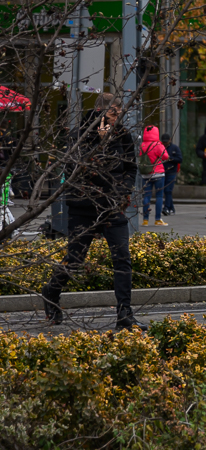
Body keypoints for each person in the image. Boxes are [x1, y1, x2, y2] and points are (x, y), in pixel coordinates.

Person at [42, 95, 140, 329]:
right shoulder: (79, 135)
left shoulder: (122, 135)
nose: (118, 118)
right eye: (114, 113)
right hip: (83, 207)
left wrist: (123, 191)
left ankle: (124, 314)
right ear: (100, 111)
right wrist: (102, 143)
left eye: (119, 113)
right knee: (75, 259)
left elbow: (131, 167)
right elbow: (78, 171)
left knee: (122, 260)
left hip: (112, 207)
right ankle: (51, 292)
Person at [139, 126, 168, 226]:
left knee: (146, 196)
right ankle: (157, 219)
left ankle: (145, 220)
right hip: (158, 173)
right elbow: (165, 156)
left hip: (146, 174)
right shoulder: (157, 144)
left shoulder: (142, 145)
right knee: (159, 196)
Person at [160, 132, 182, 216]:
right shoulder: (160, 147)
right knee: (166, 191)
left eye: (166, 142)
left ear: (170, 140)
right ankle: (171, 208)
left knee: (168, 190)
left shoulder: (174, 148)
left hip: (171, 172)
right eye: (164, 142)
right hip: (162, 171)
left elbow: (179, 159)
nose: (165, 143)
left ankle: (166, 207)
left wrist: (170, 159)